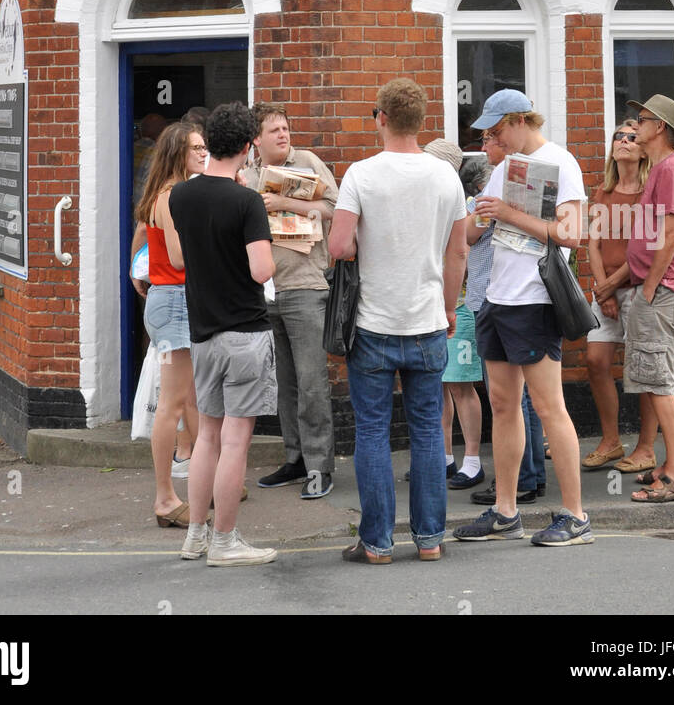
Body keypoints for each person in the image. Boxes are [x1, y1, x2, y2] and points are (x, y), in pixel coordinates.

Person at [328, 79, 468, 563]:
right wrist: (450, 307)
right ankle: (429, 540)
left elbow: (338, 247)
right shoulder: (446, 177)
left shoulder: (360, 175)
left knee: (372, 431)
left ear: (380, 118)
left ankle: (377, 543)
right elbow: (458, 251)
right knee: (429, 430)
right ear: (421, 121)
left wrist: (366, 241)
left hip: (372, 323)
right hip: (427, 319)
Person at [452, 89, 593, 547]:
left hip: (534, 298)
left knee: (549, 405)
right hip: (497, 297)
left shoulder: (560, 162)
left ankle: (575, 516)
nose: (493, 139)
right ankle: (505, 511)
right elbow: (473, 234)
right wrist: (478, 214)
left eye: (496, 131)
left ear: (518, 120)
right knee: (504, 405)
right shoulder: (502, 170)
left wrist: (508, 213)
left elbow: (572, 235)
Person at [169, 102, 279, 566]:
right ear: (250, 146)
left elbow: (183, 259)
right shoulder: (247, 200)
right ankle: (227, 541)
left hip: (203, 332)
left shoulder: (181, 196)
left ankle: (196, 535)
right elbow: (261, 270)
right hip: (245, 333)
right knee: (235, 442)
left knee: (206, 440)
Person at [242, 104, 339, 498]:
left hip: (306, 286)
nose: (283, 135)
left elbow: (335, 208)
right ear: (256, 141)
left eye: (285, 128)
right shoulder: (246, 177)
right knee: (285, 383)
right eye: (274, 130)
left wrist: (287, 205)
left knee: (313, 381)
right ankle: (295, 458)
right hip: (267, 291)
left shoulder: (309, 162)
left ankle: (320, 467)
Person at [462, 136, 546, 505]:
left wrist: (482, 209)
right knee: (523, 399)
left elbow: (469, 234)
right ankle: (532, 476)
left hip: (494, 300)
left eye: (490, 139)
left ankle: (520, 480)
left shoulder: (490, 201)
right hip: (511, 299)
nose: (485, 144)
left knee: (510, 400)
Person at [623, 96, 674, 504]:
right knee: (671, 376)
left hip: (663, 291)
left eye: (643, 119)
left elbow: (670, 234)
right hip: (669, 289)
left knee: (658, 380)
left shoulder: (669, 170)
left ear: (661, 129)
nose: (636, 125)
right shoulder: (666, 169)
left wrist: (650, 286)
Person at [135, 123, 207, 528]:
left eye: (204, 147)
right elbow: (180, 258)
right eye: (195, 147)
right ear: (178, 152)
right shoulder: (172, 196)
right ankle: (164, 498)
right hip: (175, 302)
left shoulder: (166, 193)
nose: (203, 153)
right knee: (174, 404)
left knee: (193, 399)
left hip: (175, 301)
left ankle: (206, 480)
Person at [583, 119, 658, 472]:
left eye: (632, 137)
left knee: (644, 370)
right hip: (606, 293)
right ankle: (611, 441)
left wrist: (612, 285)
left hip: (638, 290)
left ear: (643, 151)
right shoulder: (603, 192)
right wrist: (603, 289)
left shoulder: (649, 192)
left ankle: (646, 446)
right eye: (618, 137)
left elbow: (645, 250)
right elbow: (593, 245)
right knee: (596, 361)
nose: (624, 141)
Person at [422, 140, 483, 489]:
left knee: (461, 385)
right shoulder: (426, 203)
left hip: (459, 306)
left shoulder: (462, 204)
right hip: (431, 306)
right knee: (438, 386)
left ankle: (473, 461)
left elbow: (463, 249)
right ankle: (443, 458)